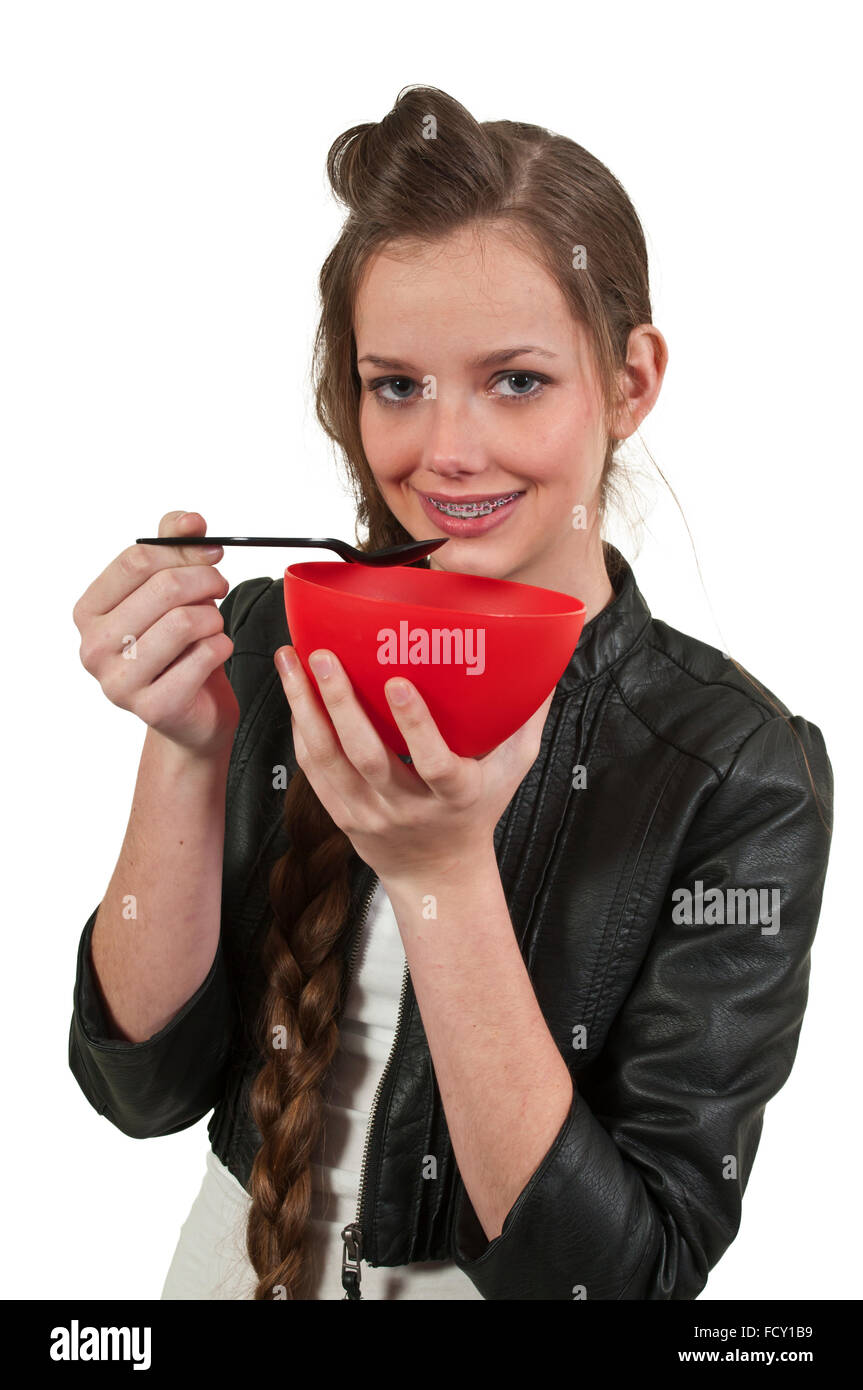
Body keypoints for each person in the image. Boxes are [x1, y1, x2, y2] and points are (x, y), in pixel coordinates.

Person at [68, 84, 834, 1301]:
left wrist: (443, 879)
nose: (447, 452)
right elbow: (137, 1090)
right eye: (397, 385)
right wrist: (186, 747)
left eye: (516, 380)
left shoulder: (736, 767)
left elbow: (616, 1282)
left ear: (628, 381)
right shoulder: (269, 638)